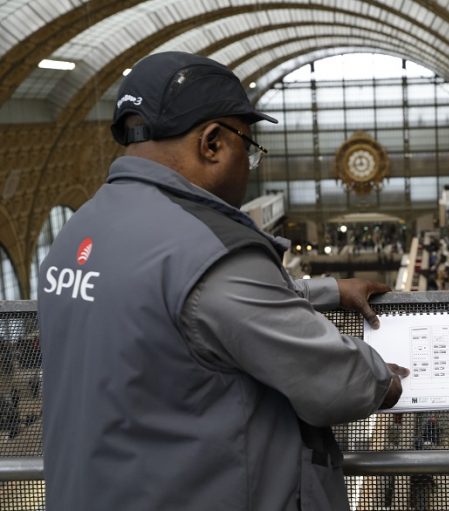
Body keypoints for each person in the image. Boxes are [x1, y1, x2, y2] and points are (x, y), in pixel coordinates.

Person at [38, 51, 408, 511]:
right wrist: (385, 379)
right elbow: (337, 383)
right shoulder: (209, 245)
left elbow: (181, 306)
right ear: (212, 143)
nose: (248, 167)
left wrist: (331, 290)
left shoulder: (78, 231)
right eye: (248, 148)